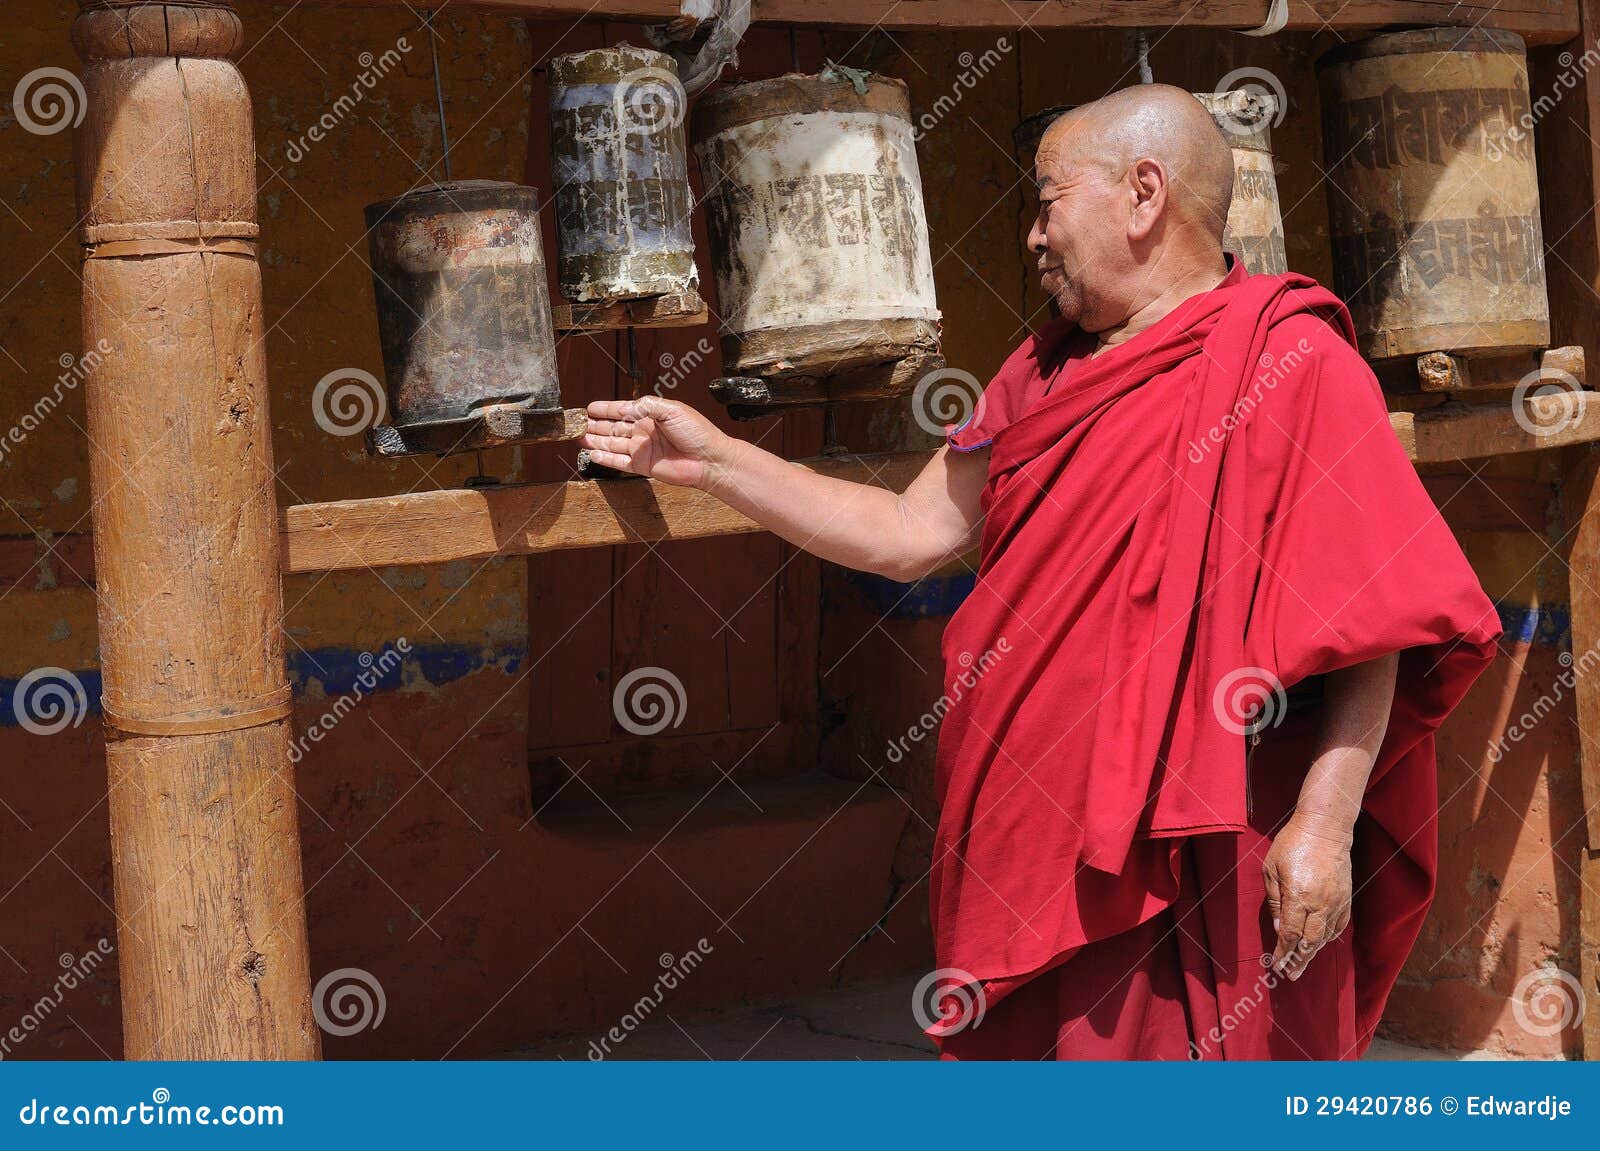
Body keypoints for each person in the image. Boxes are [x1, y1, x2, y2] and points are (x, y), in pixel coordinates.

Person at [581, 84, 1500, 1059]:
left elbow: (1378, 613)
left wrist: (1322, 821)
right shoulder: (1043, 370)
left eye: (1047, 199)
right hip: (1034, 832)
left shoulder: (1294, 361)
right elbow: (907, 528)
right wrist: (717, 459)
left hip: (1206, 842)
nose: (1032, 234)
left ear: (1142, 193)